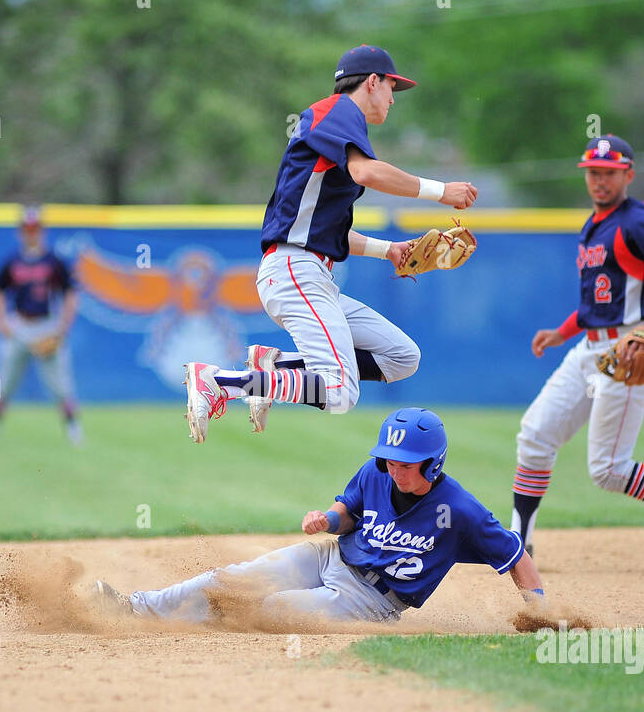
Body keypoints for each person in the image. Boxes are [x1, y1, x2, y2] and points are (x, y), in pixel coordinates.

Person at [182, 45, 479, 443]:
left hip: (310, 271)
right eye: (392, 86)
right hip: (294, 272)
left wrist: (387, 250)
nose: (393, 97)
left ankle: (275, 364)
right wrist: (442, 191)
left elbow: (331, 233)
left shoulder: (339, 136)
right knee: (340, 393)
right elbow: (367, 172)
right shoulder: (336, 111)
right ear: (371, 82)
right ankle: (219, 380)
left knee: (402, 357)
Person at [93, 408, 546, 624]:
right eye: (390, 458)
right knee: (235, 579)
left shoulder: (460, 510)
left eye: (406, 463)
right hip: (331, 557)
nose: (395, 468)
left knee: (270, 610)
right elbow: (348, 511)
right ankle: (135, 609)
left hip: (374, 602)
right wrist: (326, 520)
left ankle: (195, 621)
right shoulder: (377, 472)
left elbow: (516, 557)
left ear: (433, 464)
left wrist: (541, 614)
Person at [512, 135, 644, 567]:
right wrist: (560, 332)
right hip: (590, 349)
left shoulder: (638, 221)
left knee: (608, 470)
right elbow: (599, 304)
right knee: (535, 435)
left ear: (628, 174)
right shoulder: (593, 226)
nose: (599, 180)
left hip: (629, 352)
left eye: (609, 173)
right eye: (593, 172)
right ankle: (520, 545)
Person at [0, 206, 83, 444]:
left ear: (42, 231)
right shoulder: (12, 262)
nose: (31, 234)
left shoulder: (54, 262)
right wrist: (0, 322)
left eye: (35, 229)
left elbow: (71, 293)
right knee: (4, 383)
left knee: (61, 386)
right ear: (20, 232)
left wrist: (63, 327)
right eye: (27, 230)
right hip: (19, 326)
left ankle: (74, 430)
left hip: (46, 327)